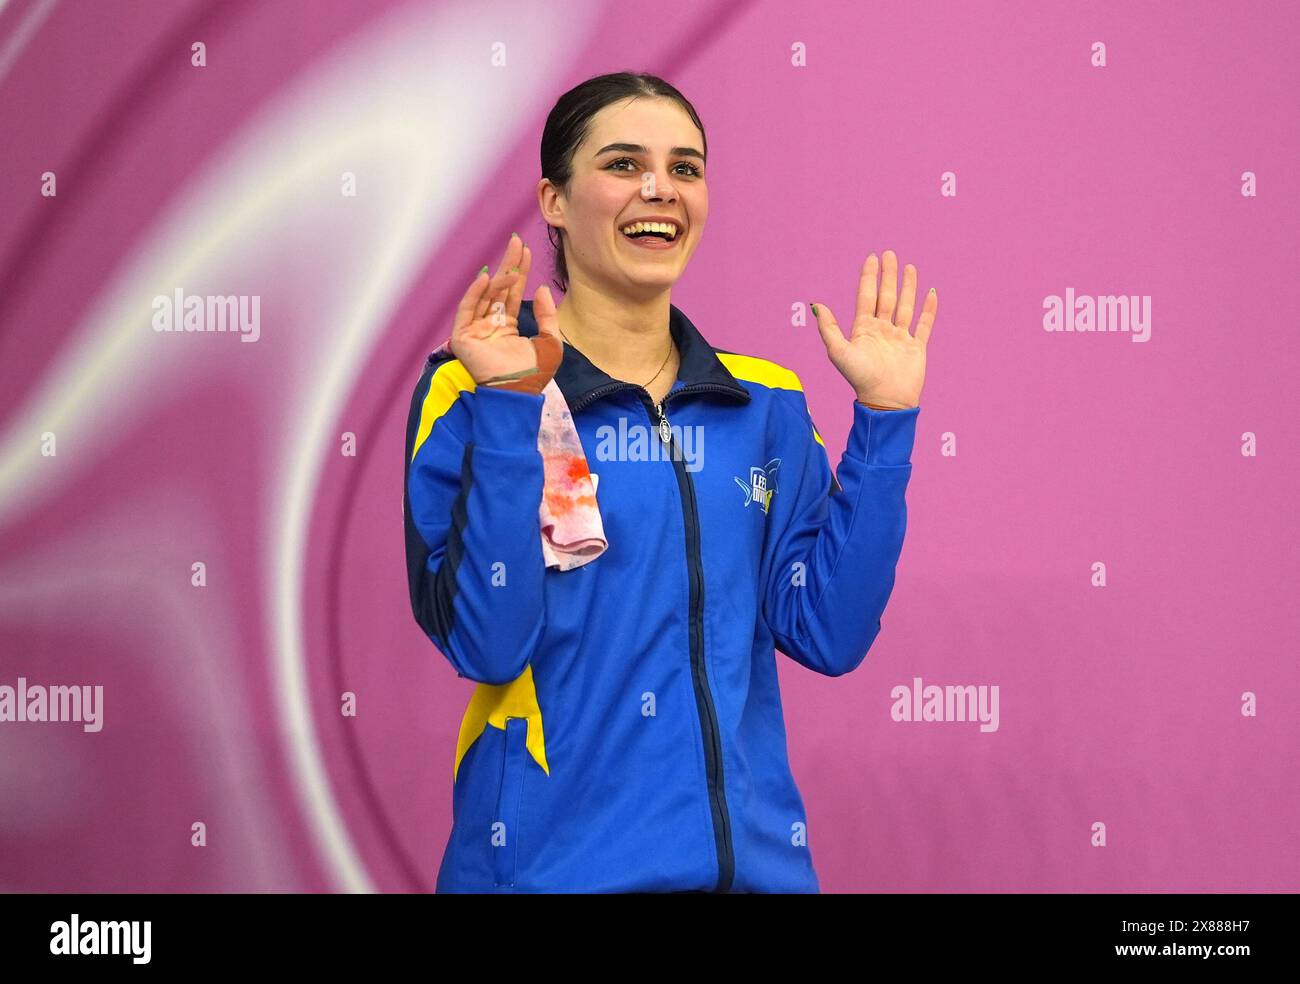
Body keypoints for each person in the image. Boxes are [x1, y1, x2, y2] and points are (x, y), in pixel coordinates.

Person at [402, 72, 937, 893]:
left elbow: (830, 631)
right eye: (623, 164)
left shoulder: (764, 404)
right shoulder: (470, 392)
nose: (661, 189)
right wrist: (511, 408)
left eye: (686, 169)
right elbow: (488, 642)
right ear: (553, 199)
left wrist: (886, 420)